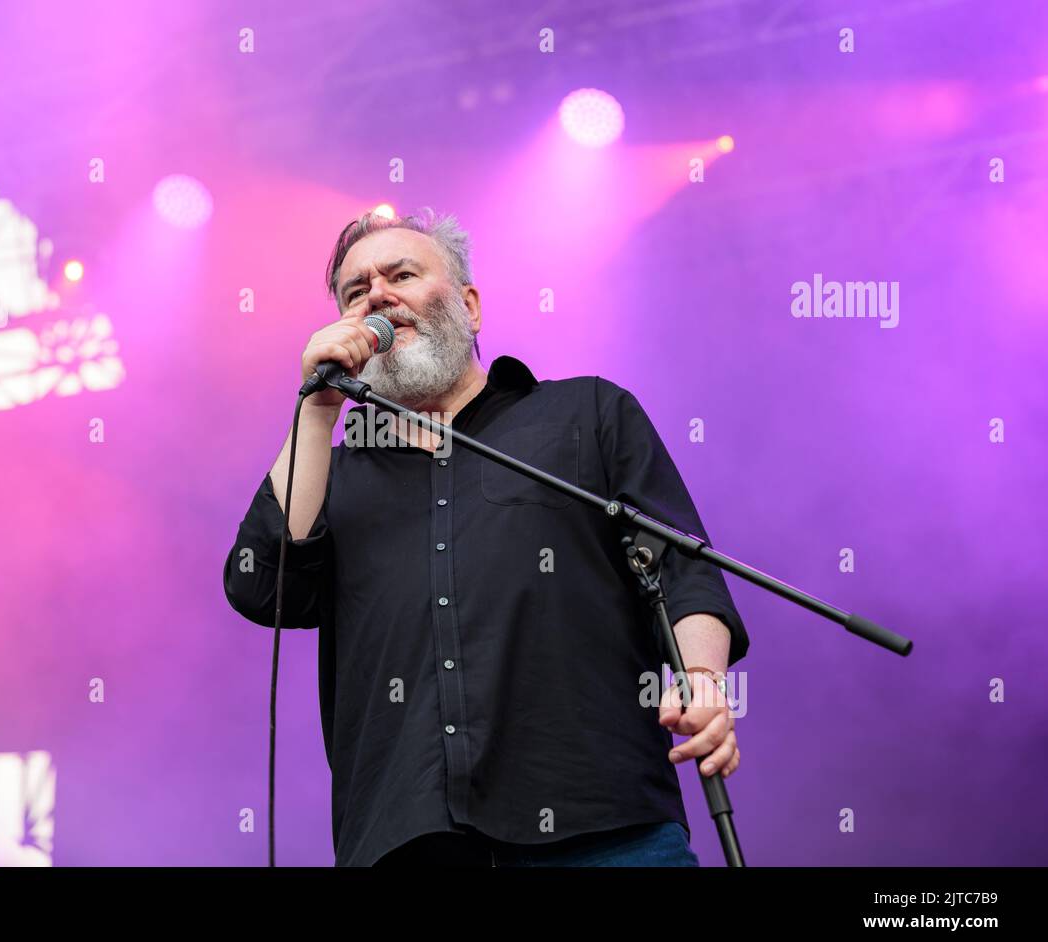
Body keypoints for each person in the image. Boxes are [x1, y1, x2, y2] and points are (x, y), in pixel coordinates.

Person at [223, 207, 749, 867]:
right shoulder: (331, 465)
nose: (378, 296)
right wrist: (319, 411)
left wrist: (700, 679)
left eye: (402, 275)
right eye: (356, 292)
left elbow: (682, 569)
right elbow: (260, 587)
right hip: (407, 838)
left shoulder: (585, 414)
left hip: (602, 825)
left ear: (470, 306)